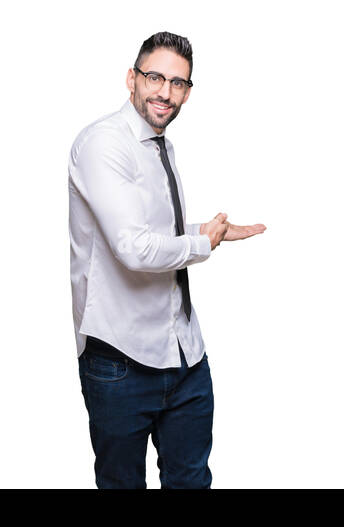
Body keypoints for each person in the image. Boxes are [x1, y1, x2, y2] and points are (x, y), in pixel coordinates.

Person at [68, 31, 264, 489]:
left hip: (184, 354)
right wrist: (202, 245)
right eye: (155, 77)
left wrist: (205, 232)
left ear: (188, 92)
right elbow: (133, 248)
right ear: (131, 79)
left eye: (178, 83)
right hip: (120, 356)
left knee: (192, 480)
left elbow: (151, 232)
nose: (166, 92)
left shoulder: (161, 145)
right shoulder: (103, 144)